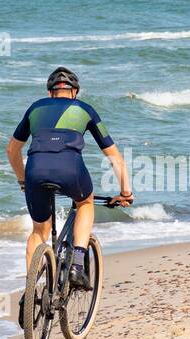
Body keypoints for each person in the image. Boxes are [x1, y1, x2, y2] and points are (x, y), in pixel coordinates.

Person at [7, 67, 132, 295]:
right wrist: (125, 193)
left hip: (35, 170)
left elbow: (12, 150)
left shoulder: (35, 108)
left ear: (50, 92)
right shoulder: (85, 109)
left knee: (38, 231)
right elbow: (114, 156)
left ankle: (30, 292)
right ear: (75, 92)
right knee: (85, 202)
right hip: (71, 170)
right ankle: (76, 264)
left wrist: (23, 179)